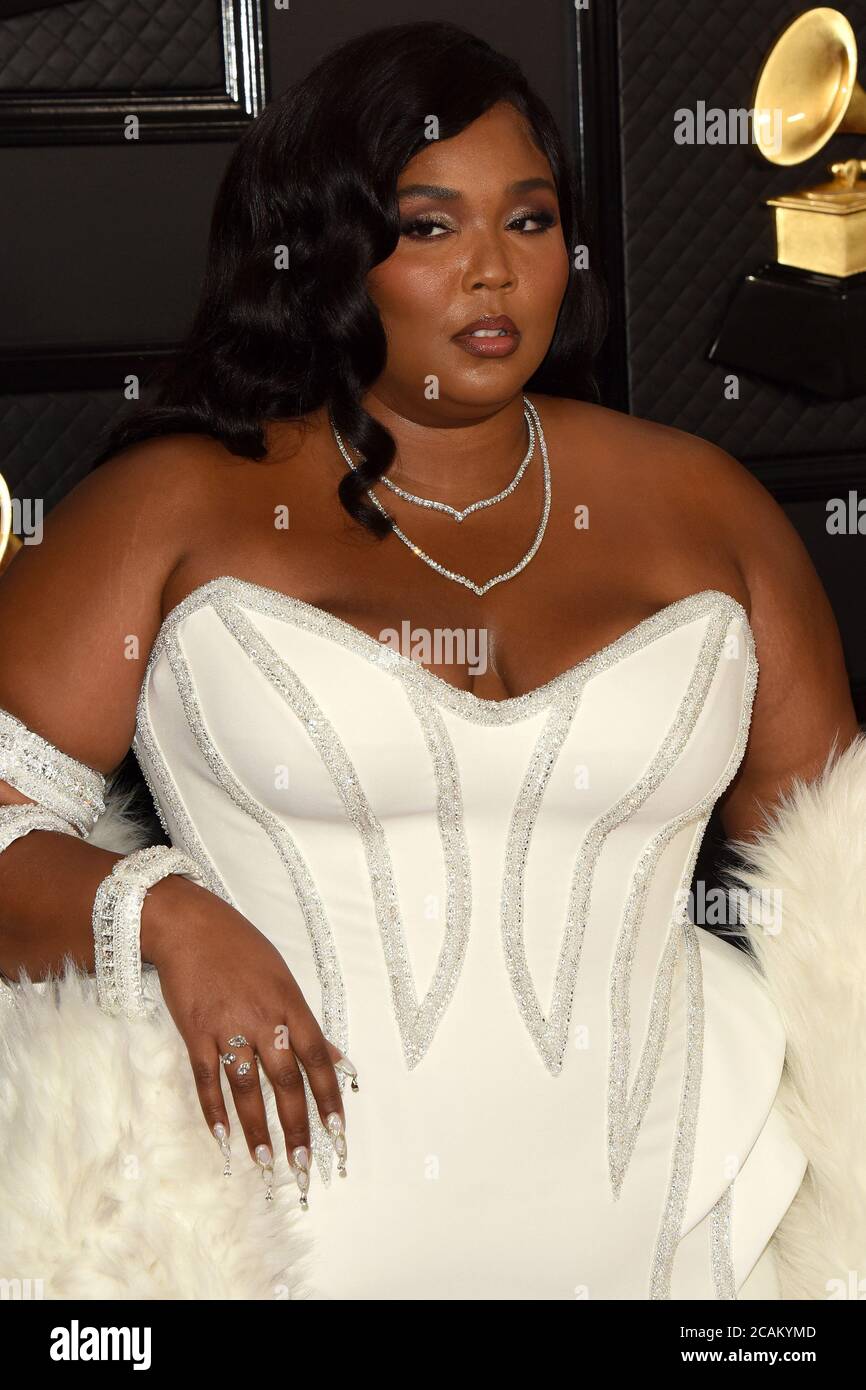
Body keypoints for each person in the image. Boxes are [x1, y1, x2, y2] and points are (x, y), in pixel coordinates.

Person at [0, 21, 860, 1300]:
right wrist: (163, 916)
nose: (492, 274)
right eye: (426, 226)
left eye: (525, 222)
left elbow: (838, 890)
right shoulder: (168, 509)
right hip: (277, 1246)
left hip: (691, 1238)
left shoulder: (703, 507)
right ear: (329, 250)